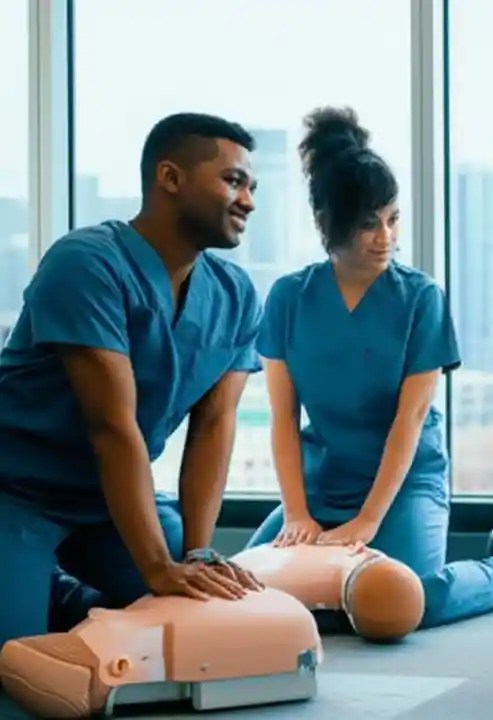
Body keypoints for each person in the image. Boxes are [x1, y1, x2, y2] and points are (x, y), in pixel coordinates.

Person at [244, 106, 493, 631]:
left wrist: (366, 522)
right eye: (368, 223)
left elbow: (410, 421)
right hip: (323, 481)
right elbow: (281, 420)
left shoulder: (420, 298)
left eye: (392, 217)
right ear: (327, 224)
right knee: (249, 592)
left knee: (407, 602)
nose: (385, 235)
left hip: (407, 481)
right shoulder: (289, 298)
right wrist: (297, 513)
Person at [0, 113, 266, 650]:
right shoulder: (86, 263)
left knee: (208, 626)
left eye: (252, 187)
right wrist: (155, 568)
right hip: (14, 490)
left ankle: (67, 594)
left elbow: (214, 428)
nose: (249, 201)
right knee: (16, 662)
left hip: (109, 499)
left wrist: (195, 555)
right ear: (170, 178)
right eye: (234, 181)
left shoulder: (236, 295)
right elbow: (111, 428)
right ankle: (56, 592)